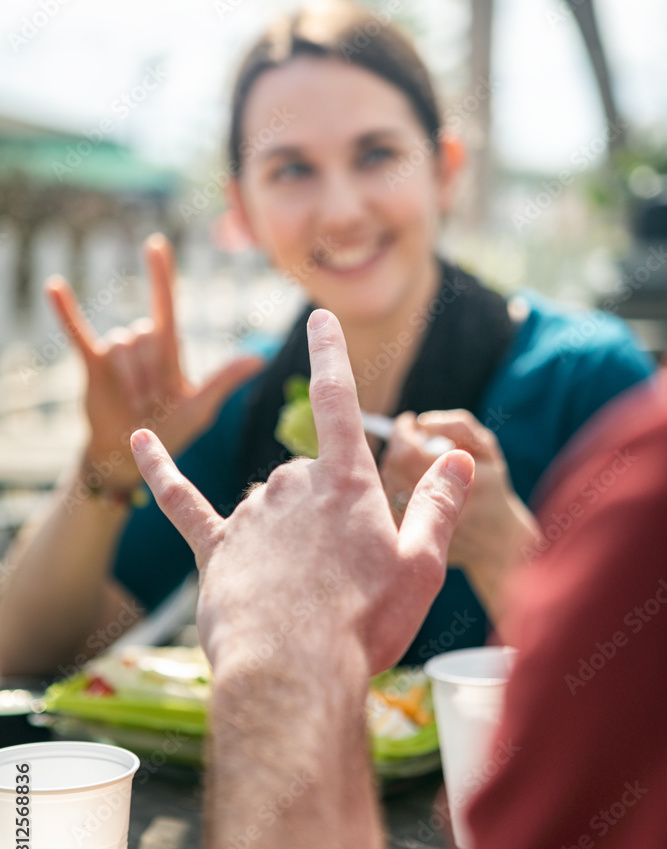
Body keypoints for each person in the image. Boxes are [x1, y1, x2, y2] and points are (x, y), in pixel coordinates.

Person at [0, 2, 654, 676]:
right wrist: (102, 471)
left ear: (445, 170)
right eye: (290, 170)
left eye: (376, 155)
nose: (341, 210)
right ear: (242, 211)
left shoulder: (590, 382)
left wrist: (500, 548)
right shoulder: (241, 399)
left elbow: (641, 694)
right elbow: (30, 655)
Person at [132, 308, 667, 849]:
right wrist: (98, 472)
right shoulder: (248, 383)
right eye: (293, 186)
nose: (342, 209)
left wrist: (281, 655)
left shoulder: (607, 409)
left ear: (446, 190)